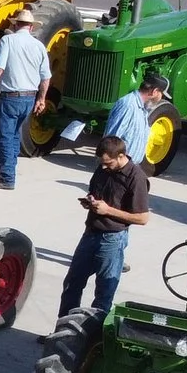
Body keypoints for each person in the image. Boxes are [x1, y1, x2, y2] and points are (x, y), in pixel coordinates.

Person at [59, 134, 151, 317]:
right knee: (72, 283)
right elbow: (96, 192)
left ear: (121, 156)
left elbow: (142, 218)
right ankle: (64, 331)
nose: (103, 167)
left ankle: (93, 338)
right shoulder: (102, 169)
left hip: (112, 239)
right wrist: (90, 201)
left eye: (108, 163)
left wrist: (108, 210)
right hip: (90, 233)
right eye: (101, 163)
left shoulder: (136, 177)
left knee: (104, 292)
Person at [0, 8, 49, 189]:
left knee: (5, 137)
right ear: (31, 27)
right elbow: (45, 77)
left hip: (11, 97)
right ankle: (9, 172)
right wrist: (41, 99)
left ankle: (7, 177)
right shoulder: (39, 46)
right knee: (14, 136)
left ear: (16, 24)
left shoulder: (8, 40)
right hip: (30, 97)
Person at [103, 71, 169, 171]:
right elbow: (112, 139)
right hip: (118, 170)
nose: (161, 98)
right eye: (162, 94)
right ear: (154, 91)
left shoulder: (143, 109)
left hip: (130, 168)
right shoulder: (128, 105)